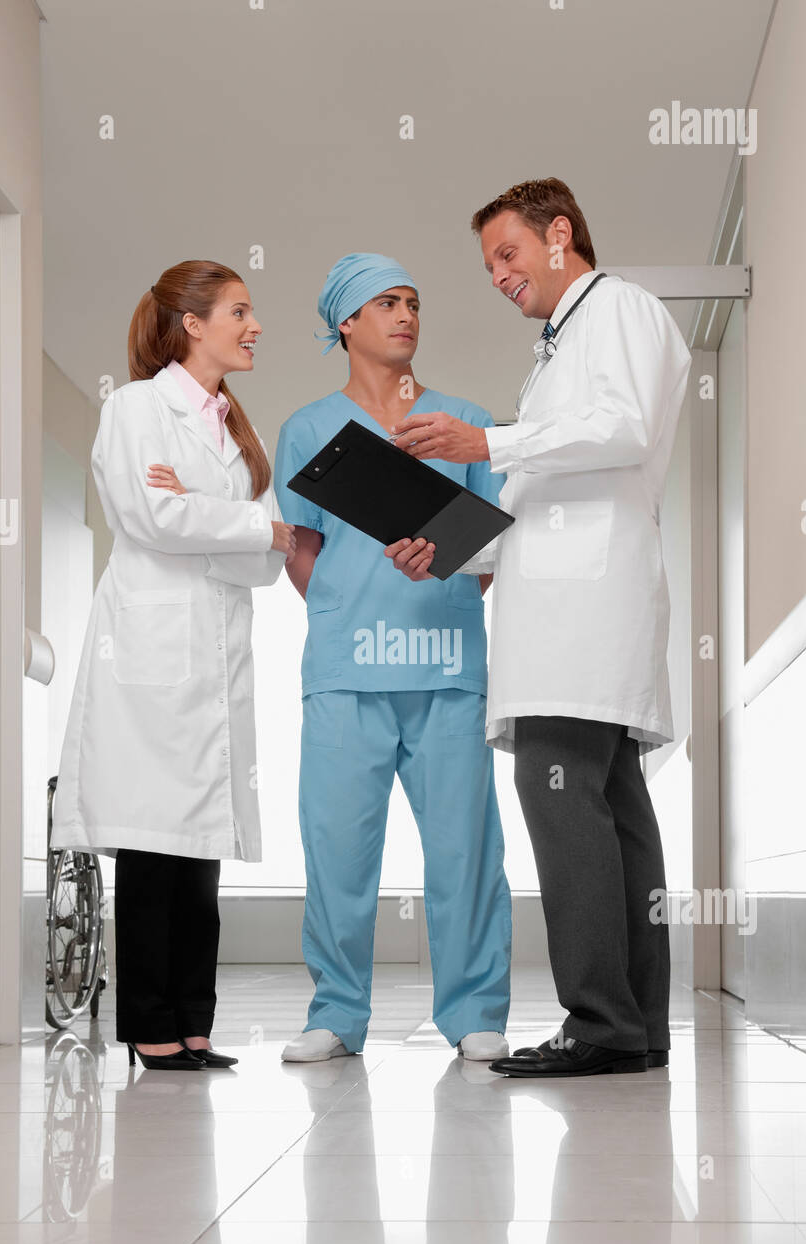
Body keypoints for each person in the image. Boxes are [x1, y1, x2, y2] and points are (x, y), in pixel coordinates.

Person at [386, 179, 692, 1079]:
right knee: (612, 811)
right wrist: (448, 550)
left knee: (561, 800)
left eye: (508, 254)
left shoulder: (619, 308)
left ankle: (599, 1023)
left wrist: (489, 441)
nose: (498, 276)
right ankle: (633, 1027)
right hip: (572, 607)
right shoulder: (560, 352)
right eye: (489, 266)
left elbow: (623, 427)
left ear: (561, 235)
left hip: (582, 619)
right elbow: (539, 499)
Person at [50, 260, 296, 1070]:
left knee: (200, 848)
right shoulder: (134, 408)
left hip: (215, 650)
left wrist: (208, 515)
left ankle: (195, 1024)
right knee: (154, 846)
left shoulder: (236, 430)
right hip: (152, 656)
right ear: (192, 323)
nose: (255, 327)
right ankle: (151, 1027)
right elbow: (149, 517)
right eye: (239, 312)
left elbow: (269, 558)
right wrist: (239, 526)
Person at [274, 252, 512, 1063]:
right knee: (337, 851)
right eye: (386, 303)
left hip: (447, 667)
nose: (406, 314)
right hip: (347, 671)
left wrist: (440, 565)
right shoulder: (309, 429)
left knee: (465, 851)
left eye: (412, 301)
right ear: (346, 323)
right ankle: (336, 1013)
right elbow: (302, 548)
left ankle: (475, 1012)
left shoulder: (464, 423)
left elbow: (487, 556)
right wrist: (349, 608)